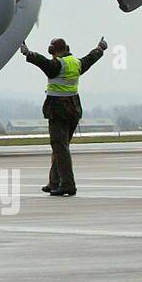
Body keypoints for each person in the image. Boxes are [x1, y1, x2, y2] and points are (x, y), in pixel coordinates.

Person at [21, 36, 108, 196]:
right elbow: (91, 58)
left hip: (58, 111)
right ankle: (54, 182)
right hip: (73, 109)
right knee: (60, 147)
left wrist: (28, 53)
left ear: (53, 51)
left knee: (60, 148)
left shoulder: (57, 64)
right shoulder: (76, 63)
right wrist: (100, 49)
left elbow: (43, 62)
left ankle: (68, 184)